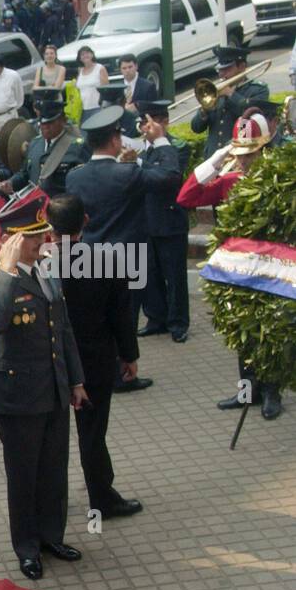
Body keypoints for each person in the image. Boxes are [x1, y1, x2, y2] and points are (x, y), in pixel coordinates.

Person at [0, 191, 87, 581]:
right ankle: (26, 547)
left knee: (54, 470)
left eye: (42, 235)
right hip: (18, 397)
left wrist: (75, 380)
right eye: (32, 237)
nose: (42, 243)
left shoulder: (47, 270)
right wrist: (6, 271)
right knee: (23, 475)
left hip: (54, 388)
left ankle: (51, 536)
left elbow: (64, 328)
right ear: (11, 241)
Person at [178, 111, 284, 420]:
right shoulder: (229, 180)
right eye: (240, 154)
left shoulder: (279, 181)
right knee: (242, 331)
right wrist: (218, 156)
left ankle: (271, 392)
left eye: (250, 154)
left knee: (270, 331)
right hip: (237, 266)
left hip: (271, 265)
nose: (245, 160)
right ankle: (247, 391)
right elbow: (187, 196)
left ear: (265, 149)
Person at [66, 106, 179, 393]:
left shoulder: (75, 177)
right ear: (116, 140)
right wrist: (161, 140)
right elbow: (169, 176)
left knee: (100, 319)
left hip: (89, 259)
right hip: (130, 258)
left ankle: (101, 372)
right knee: (126, 317)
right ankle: (122, 373)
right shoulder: (127, 173)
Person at [46, 194, 144, 524]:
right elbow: (122, 316)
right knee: (92, 433)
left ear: (48, 225)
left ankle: (50, 504)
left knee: (50, 438)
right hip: (96, 360)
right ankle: (101, 497)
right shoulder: (107, 260)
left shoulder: (42, 263)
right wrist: (129, 356)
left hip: (53, 364)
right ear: (85, 221)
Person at [133, 99, 191, 343]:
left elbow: (165, 177)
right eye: (143, 123)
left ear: (164, 121)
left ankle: (178, 322)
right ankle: (156, 318)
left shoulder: (176, 146)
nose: (146, 128)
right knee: (149, 273)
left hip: (169, 220)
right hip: (146, 220)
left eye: (152, 122)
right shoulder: (142, 149)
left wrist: (137, 163)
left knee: (174, 275)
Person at [0, 99, 89, 197]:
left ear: (63, 120)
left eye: (50, 123)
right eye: (43, 123)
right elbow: (24, 173)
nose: (45, 127)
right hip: (37, 205)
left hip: (62, 207)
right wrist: (11, 182)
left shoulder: (77, 147)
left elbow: (84, 184)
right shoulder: (34, 144)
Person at [191, 46, 270, 159]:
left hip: (239, 157)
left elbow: (252, 117)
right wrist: (204, 110)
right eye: (220, 70)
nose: (222, 74)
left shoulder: (257, 89)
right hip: (212, 158)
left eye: (227, 69)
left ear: (242, 67)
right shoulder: (215, 91)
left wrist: (231, 94)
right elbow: (196, 128)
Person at [74, 46, 109, 123]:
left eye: (87, 53)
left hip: (97, 107)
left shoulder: (100, 68)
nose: (85, 55)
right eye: (82, 54)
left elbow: (106, 88)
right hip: (82, 109)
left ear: (92, 54)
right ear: (80, 58)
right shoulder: (80, 70)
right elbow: (76, 88)